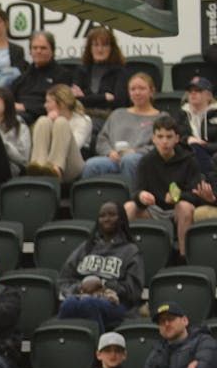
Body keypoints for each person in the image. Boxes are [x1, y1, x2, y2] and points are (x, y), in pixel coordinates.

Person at [124, 115, 213, 257]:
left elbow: (196, 195)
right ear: (153, 138)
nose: (164, 141)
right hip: (154, 209)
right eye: (160, 136)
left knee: (184, 206)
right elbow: (135, 191)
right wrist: (141, 196)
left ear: (177, 138)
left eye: (169, 136)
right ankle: (125, 254)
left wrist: (178, 197)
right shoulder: (146, 162)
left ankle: (183, 256)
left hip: (178, 211)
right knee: (129, 207)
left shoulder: (189, 161)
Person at [57, 201, 143, 330]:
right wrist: (81, 287)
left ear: (121, 219)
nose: (106, 219)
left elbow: (133, 291)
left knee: (89, 304)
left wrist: (103, 286)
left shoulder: (131, 250)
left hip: (117, 304)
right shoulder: (86, 247)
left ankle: (97, 346)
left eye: (112, 215)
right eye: (102, 216)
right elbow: (64, 279)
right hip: (83, 296)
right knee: (68, 304)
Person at [81, 72, 161, 182]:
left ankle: (131, 197)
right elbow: (102, 139)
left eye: (142, 89)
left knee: (129, 160)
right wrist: (109, 152)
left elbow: (160, 145)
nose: (137, 93)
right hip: (114, 159)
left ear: (151, 91)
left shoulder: (160, 117)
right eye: (133, 89)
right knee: (91, 165)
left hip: (141, 160)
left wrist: (136, 152)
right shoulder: (117, 114)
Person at [25, 83, 93, 181]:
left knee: (61, 123)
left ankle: (55, 169)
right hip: (46, 163)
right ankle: (38, 167)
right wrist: (50, 121)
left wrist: (57, 124)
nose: (45, 105)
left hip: (71, 165)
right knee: (43, 120)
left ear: (61, 104)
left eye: (48, 102)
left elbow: (76, 144)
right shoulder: (47, 120)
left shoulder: (83, 120)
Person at [10, 30, 73, 121]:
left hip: (42, 118)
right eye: (35, 48)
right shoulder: (24, 75)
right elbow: (9, 97)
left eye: (43, 48)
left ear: (52, 50)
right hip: (17, 114)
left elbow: (59, 105)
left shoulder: (62, 75)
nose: (38, 51)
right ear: (30, 51)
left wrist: (25, 107)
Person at [71, 26, 131, 116]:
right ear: (89, 48)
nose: (100, 50)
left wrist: (86, 97)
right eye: (96, 45)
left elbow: (119, 103)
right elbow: (75, 100)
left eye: (104, 45)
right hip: (82, 115)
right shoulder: (81, 70)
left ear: (112, 48)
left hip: (109, 117)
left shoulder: (120, 72)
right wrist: (104, 97)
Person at [172, 75, 217, 173]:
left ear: (209, 95)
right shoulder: (182, 114)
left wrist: (203, 146)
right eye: (190, 91)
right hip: (188, 151)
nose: (193, 93)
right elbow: (175, 134)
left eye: (198, 91)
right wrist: (188, 139)